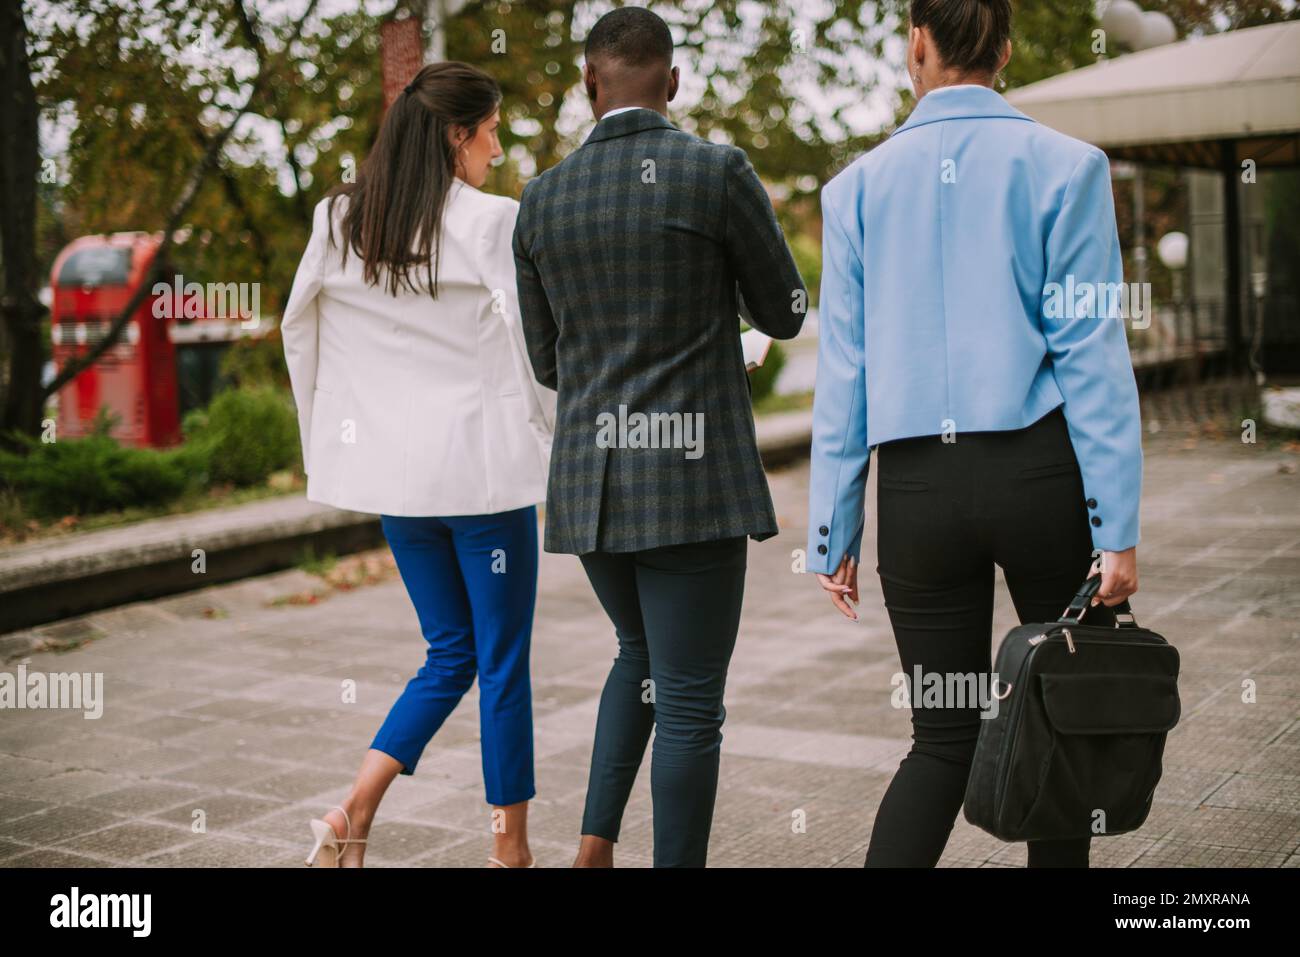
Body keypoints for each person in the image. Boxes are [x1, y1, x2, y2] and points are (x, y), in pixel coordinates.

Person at [807, 0, 1143, 867]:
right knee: (1060, 717)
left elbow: (846, 373)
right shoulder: (1069, 168)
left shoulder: (854, 190)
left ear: (916, 43)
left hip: (918, 494)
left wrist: (831, 531)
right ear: (1004, 48)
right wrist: (1119, 528)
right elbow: (1092, 355)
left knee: (942, 739)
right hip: (1040, 476)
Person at [512, 6, 806, 867]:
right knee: (687, 702)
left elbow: (547, 358)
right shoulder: (714, 172)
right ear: (672, 82)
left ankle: (593, 845)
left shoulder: (541, 199)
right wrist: (723, 328)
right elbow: (786, 311)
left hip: (594, 487)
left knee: (636, 653)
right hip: (691, 484)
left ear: (587, 85)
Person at [280, 61, 555, 868]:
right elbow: (531, 347)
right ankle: (512, 850)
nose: (498, 149)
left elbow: (301, 331)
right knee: (500, 662)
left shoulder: (340, 220)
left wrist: (327, 438)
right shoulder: (491, 222)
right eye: (493, 130)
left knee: (450, 651)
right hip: (483, 479)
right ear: (455, 134)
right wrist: (554, 431)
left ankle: (352, 811)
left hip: (396, 484)